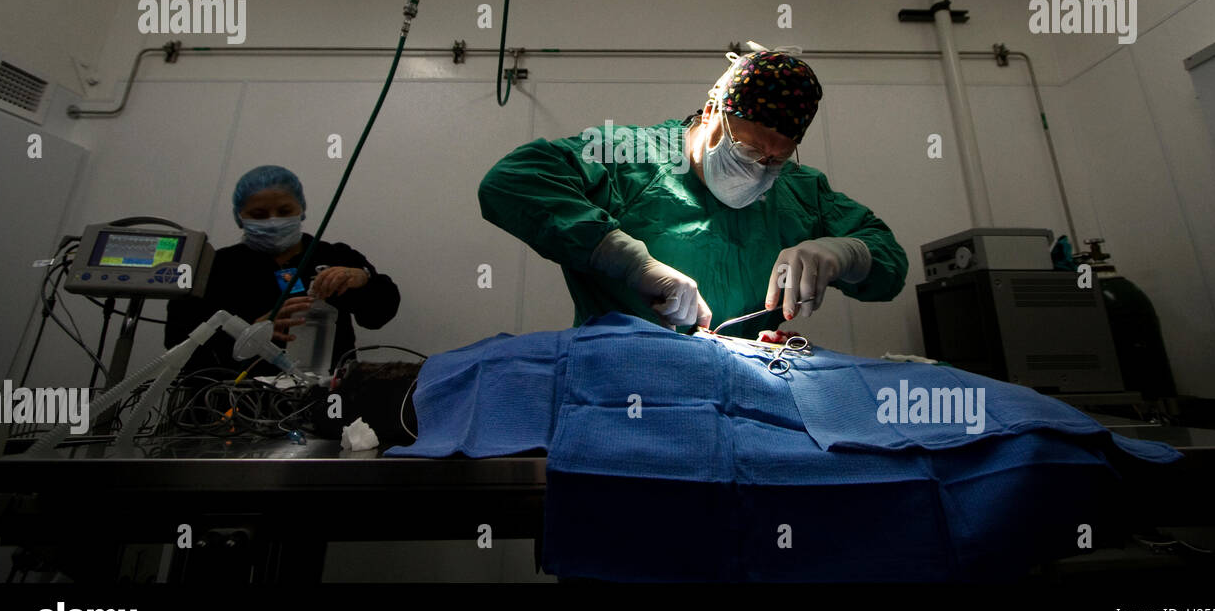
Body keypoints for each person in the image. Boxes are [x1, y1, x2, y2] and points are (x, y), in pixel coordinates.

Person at [478, 49, 907, 336]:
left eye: (776, 159)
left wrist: (844, 255)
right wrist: (631, 262)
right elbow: (513, 181)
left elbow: (889, 262)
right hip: (623, 386)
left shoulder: (801, 191)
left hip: (752, 393)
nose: (761, 169)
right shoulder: (629, 156)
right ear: (711, 110)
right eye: (748, 148)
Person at [166, 165, 400, 376]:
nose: (273, 221)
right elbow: (177, 343)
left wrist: (364, 280)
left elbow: (378, 316)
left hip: (323, 393)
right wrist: (249, 332)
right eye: (259, 215)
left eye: (285, 211)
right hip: (235, 397)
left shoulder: (334, 256)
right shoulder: (214, 266)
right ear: (239, 216)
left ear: (302, 209)